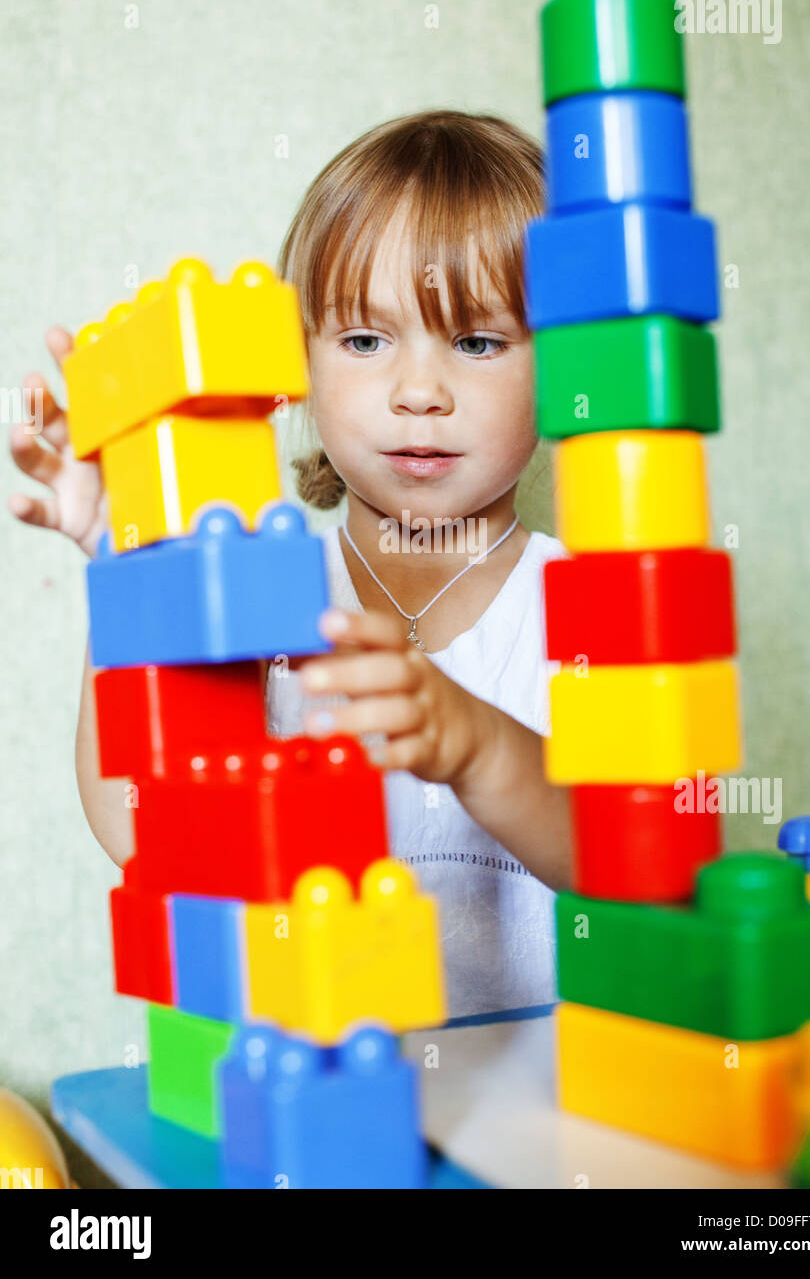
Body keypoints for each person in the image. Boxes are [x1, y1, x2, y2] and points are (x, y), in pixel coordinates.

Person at [8, 109, 573, 1018]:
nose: (419, 392)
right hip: (323, 1106)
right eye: (364, 340)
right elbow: (139, 831)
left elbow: (640, 864)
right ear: (297, 362)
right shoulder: (257, 593)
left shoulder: (578, 605)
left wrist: (474, 742)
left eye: (476, 341)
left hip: (544, 1117)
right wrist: (135, 571)